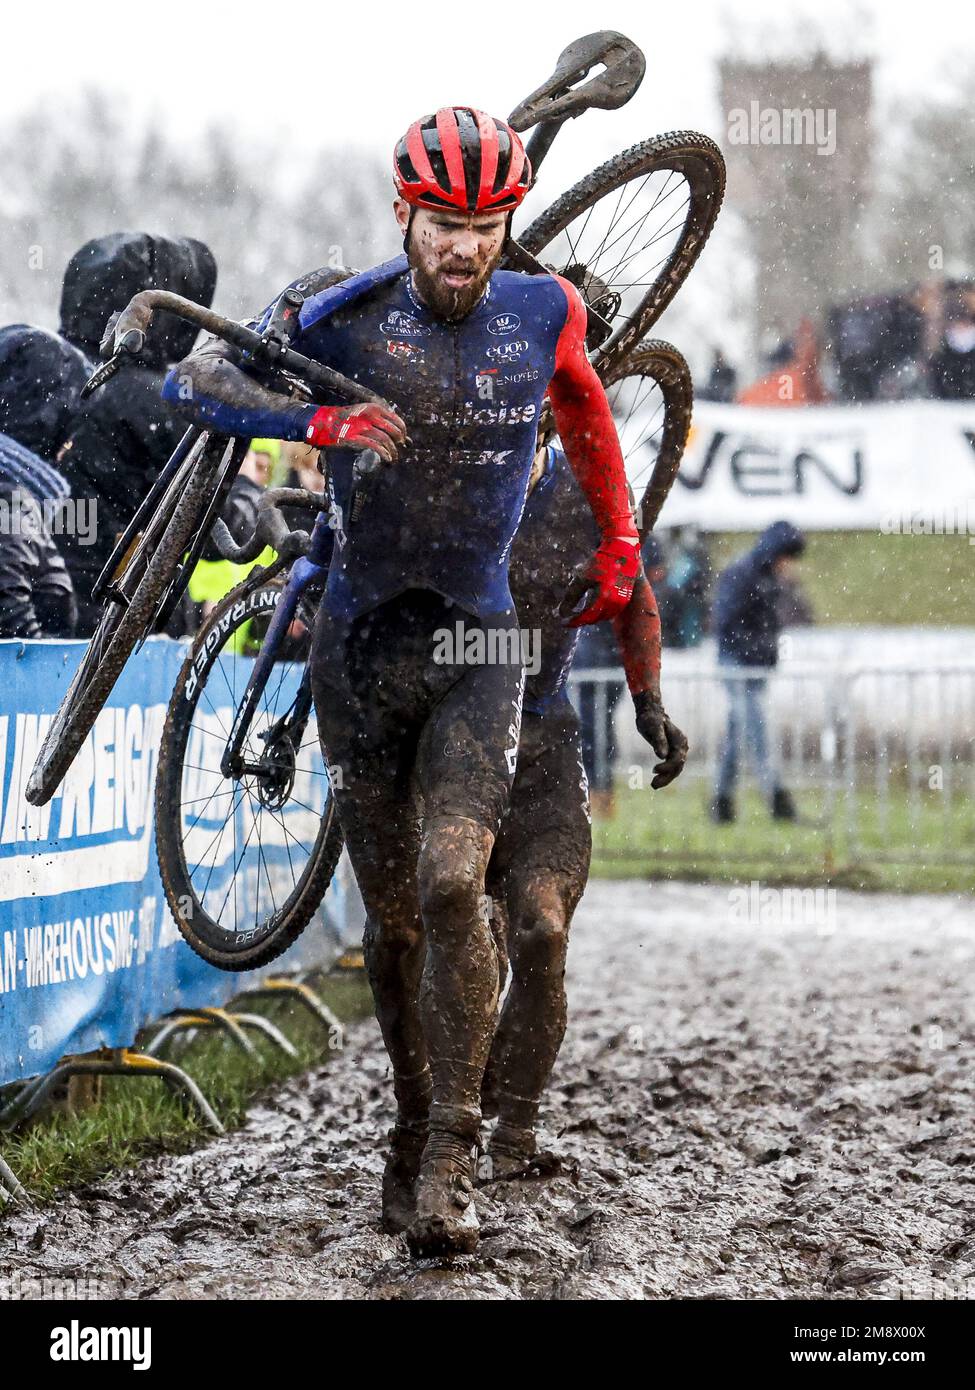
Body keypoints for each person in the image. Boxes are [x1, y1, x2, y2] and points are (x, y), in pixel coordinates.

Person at [162, 107, 641, 1257]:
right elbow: (199, 379)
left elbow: (584, 413)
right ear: (405, 217)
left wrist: (620, 541)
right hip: (358, 651)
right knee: (393, 932)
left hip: (478, 649)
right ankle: (411, 1118)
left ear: (507, 222)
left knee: (448, 883)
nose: (465, 248)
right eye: (444, 225)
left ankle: (451, 1157)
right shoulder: (344, 312)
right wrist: (320, 415)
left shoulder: (546, 308)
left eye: (485, 225)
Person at [476, 443, 686, 1180]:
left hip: (542, 733)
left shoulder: (587, 486)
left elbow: (631, 588)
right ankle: (438, 1124)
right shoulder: (450, 468)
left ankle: (517, 1132)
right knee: (461, 934)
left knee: (541, 926)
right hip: (453, 734)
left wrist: (648, 703)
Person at [55, 233, 217, 633]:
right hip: (113, 619)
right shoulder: (161, 398)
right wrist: (250, 498)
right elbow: (212, 519)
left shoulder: (51, 371)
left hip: (36, 603)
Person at [710, 521, 806, 824]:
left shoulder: (768, 577)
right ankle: (777, 799)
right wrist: (756, 649)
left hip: (753, 665)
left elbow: (767, 623)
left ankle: (721, 801)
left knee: (739, 733)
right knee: (757, 730)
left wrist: (765, 652)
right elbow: (727, 622)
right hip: (737, 665)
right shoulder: (743, 575)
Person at [0, 432, 77, 638]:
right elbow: (8, 606)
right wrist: (40, 652)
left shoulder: (22, 502)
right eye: (67, 443)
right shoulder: (10, 498)